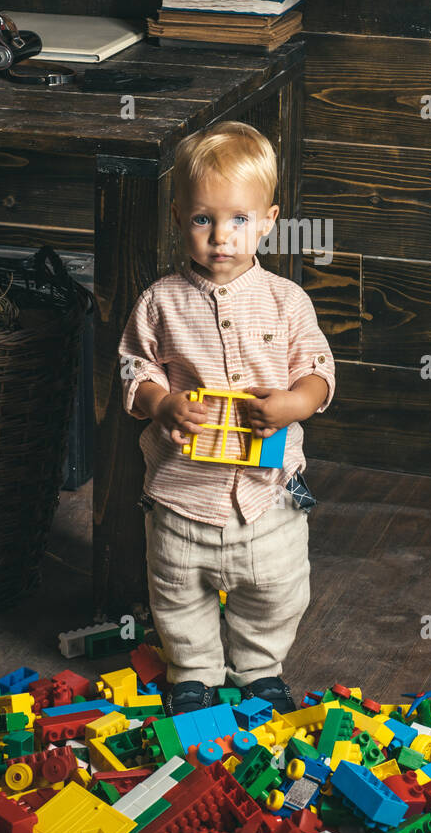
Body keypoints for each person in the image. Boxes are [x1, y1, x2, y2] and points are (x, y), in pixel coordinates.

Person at [118, 121, 335, 717]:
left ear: (267, 220)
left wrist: (293, 404)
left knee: (277, 592)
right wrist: (161, 403)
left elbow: (319, 374)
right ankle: (193, 671)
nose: (221, 237)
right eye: (202, 219)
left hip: (268, 499)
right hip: (182, 495)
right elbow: (134, 371)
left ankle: (260, 667)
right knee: (177, 594)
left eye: (239, 219)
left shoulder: (288, 301)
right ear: (179, 218)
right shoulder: (160, 301)